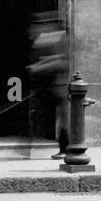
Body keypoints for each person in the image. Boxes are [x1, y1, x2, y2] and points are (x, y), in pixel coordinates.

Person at [27, 14, 69, 153]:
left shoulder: (60, 39)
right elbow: (51, 59)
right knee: (44, 115)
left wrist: (39, 67)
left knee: (63, 119)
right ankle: (27, 147)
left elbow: (59, 61)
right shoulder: (47, 39)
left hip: (58, 85)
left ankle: (64, 149)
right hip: (49, 85)